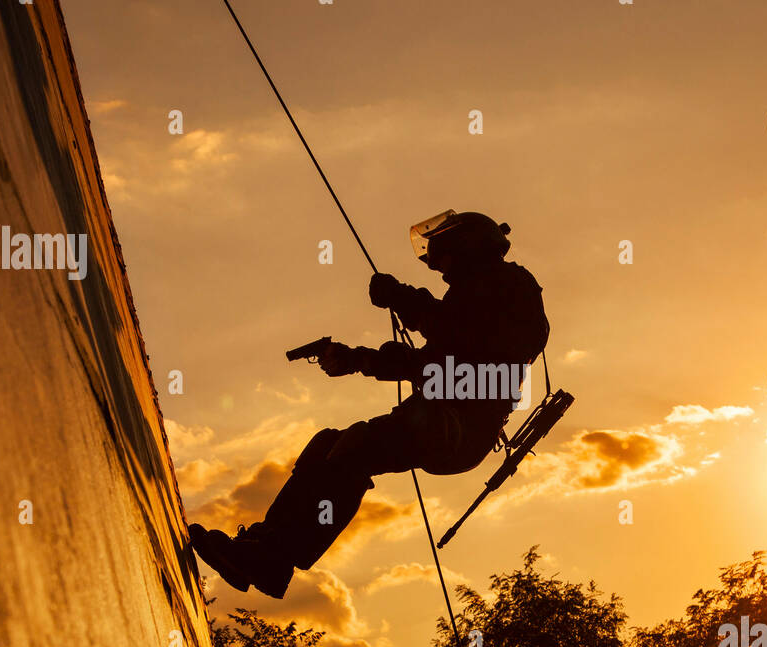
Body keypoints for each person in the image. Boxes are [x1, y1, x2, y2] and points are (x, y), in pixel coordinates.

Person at [189, 210, 550, 598]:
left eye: (445, 259)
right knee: (330, 444)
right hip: (444, 419)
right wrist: (357, 359)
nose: (442, 271)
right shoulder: (474, 299)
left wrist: (402, 301)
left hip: (458, 427)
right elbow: (433, 361)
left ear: (468, 249)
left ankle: (274, 558)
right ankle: (266, 549)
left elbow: (457, 336)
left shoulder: (508, 287)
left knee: (357, 448)